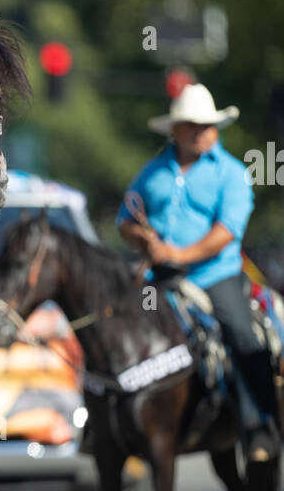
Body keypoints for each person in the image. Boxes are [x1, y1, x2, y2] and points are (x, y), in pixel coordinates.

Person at [117, 82, 279, 462]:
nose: (206, 132)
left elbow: (226, 232)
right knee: (114, 327)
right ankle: (108, 423)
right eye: (196, 125)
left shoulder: (232, 173)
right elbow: (125, 219)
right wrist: (143, 239)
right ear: (176, 129)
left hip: (214, 276)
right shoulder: (152, 171)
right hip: (159, 279)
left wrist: (178, 253)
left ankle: (261, 426)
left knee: (242, 334)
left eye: (210, 125)